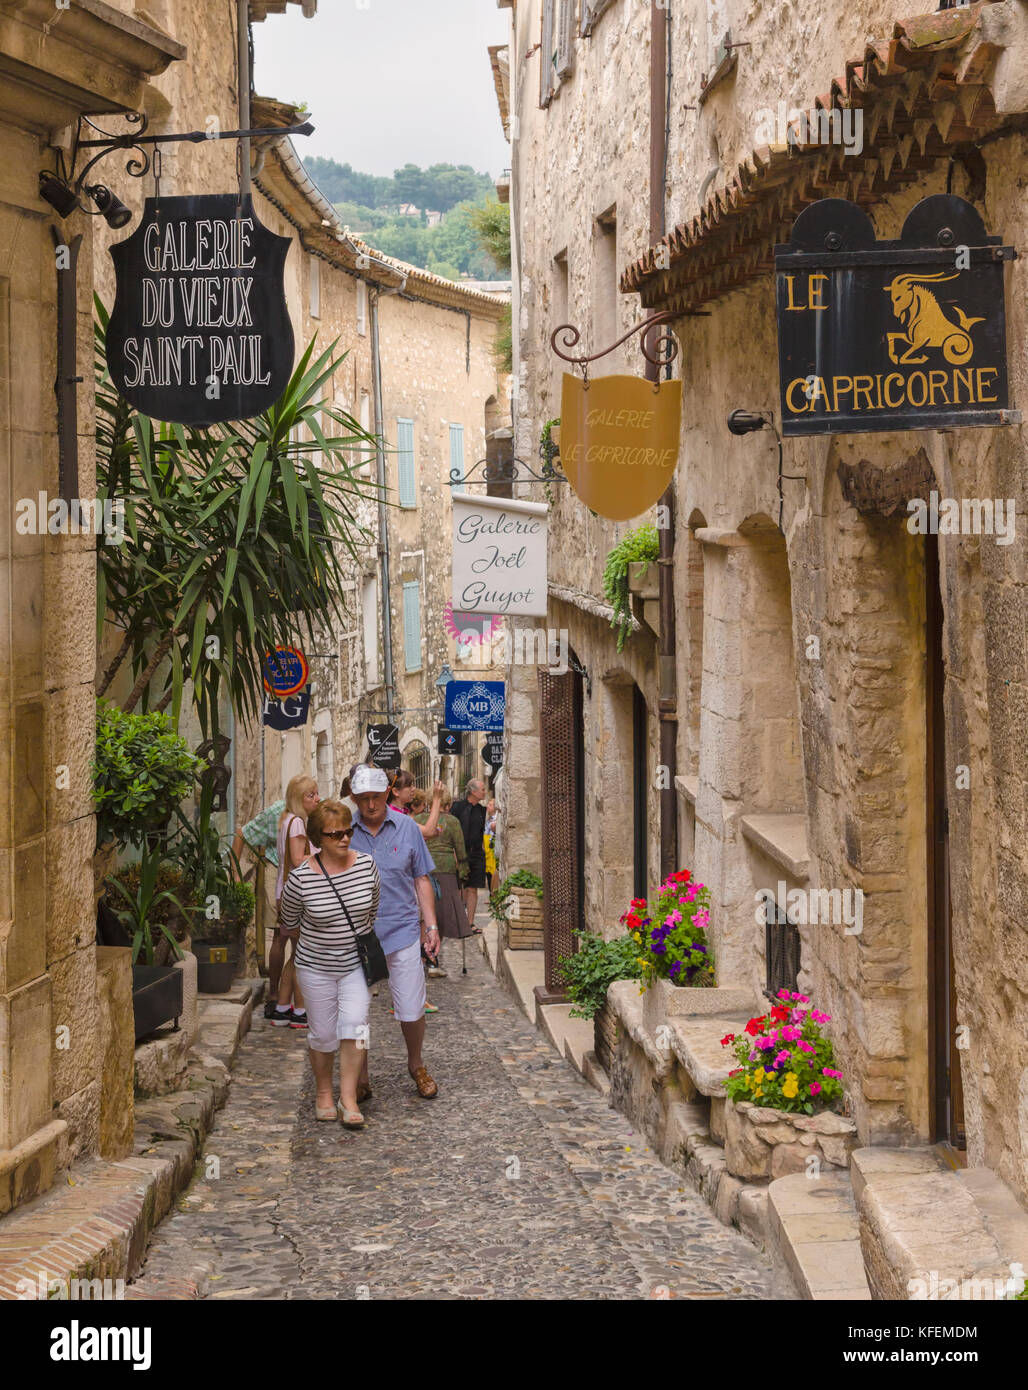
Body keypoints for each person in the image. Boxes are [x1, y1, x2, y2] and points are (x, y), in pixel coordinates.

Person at [277, 800, 380, 1127]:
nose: (344, 839)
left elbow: (372, 908)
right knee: (322, 1035)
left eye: (347, 831)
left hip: (355, 966)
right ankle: (323, 1091)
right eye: (334, 834)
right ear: (317, 838)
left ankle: (348, 1097)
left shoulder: (367, 866)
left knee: (357, 1026)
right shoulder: (301, 878)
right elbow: (289, 922)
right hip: (315, 967)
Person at [349, 764, 441, 1100]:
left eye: (376, 797)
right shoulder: (343, 830)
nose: (370, 805)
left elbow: (421, 878)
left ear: (387, 794)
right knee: (356, 1011)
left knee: (412, 1008)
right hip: (357, 936)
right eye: (363, 799)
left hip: (401, 929)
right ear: (355, 798)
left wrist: (430, 925)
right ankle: (359, 1075)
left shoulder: (407, 828)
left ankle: (416, 1063)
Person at [271, 775, 320, 1029]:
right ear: (298, 799)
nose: (317, 798)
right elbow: (298, 859)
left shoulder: (286, 820)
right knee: (303, 954)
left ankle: (281, 1007)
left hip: (285, 892)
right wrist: (323, 856)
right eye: (310, 795)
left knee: (295, 953)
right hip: (297, 895)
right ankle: (300, 1010)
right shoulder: (298, 823)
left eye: (316, 793)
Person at [232, 799, 285, 1019]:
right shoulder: (278, 812)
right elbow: (241, 833)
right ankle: (275, 994)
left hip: (302, 876)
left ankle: (292, 998)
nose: (317, 799)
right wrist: (235, 876)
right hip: (278, 872)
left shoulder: (317, 814)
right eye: (311, 795)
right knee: (281, 935)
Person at [415, 788, 471, 978]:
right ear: (447, 804)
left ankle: (426, 957)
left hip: (422, 870)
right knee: (442, 917)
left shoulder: (417, 820)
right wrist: (464, 871)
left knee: (426, 918)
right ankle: (432, 960)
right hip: (445, 872)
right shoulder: (452, 822)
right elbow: (461, 850)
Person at [451, 777, 488, 930]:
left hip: (477, 854)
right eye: (483, 789)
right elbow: (452, 831)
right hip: (460, 853)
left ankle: (470, 923)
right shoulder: (458, 807)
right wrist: (454, 853)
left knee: (473, 888)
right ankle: (458, 922)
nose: (485, 792)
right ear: (473, 791)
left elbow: (480, 833)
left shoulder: (482, 810)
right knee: (459, 888)